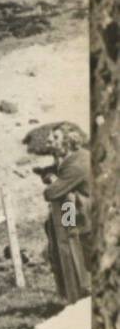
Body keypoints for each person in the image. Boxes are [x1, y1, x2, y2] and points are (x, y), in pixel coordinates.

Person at [42, 125, 91, 304]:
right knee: (66, 245)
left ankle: (80, 299)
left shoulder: (77, 163)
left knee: (73, 249)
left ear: (68, 141)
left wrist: (53, 182)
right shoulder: (70, 159)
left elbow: (52, 193)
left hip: (80, 214)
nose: (50, 142)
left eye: (55, 138)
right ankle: (74, 297)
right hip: (70, 209)